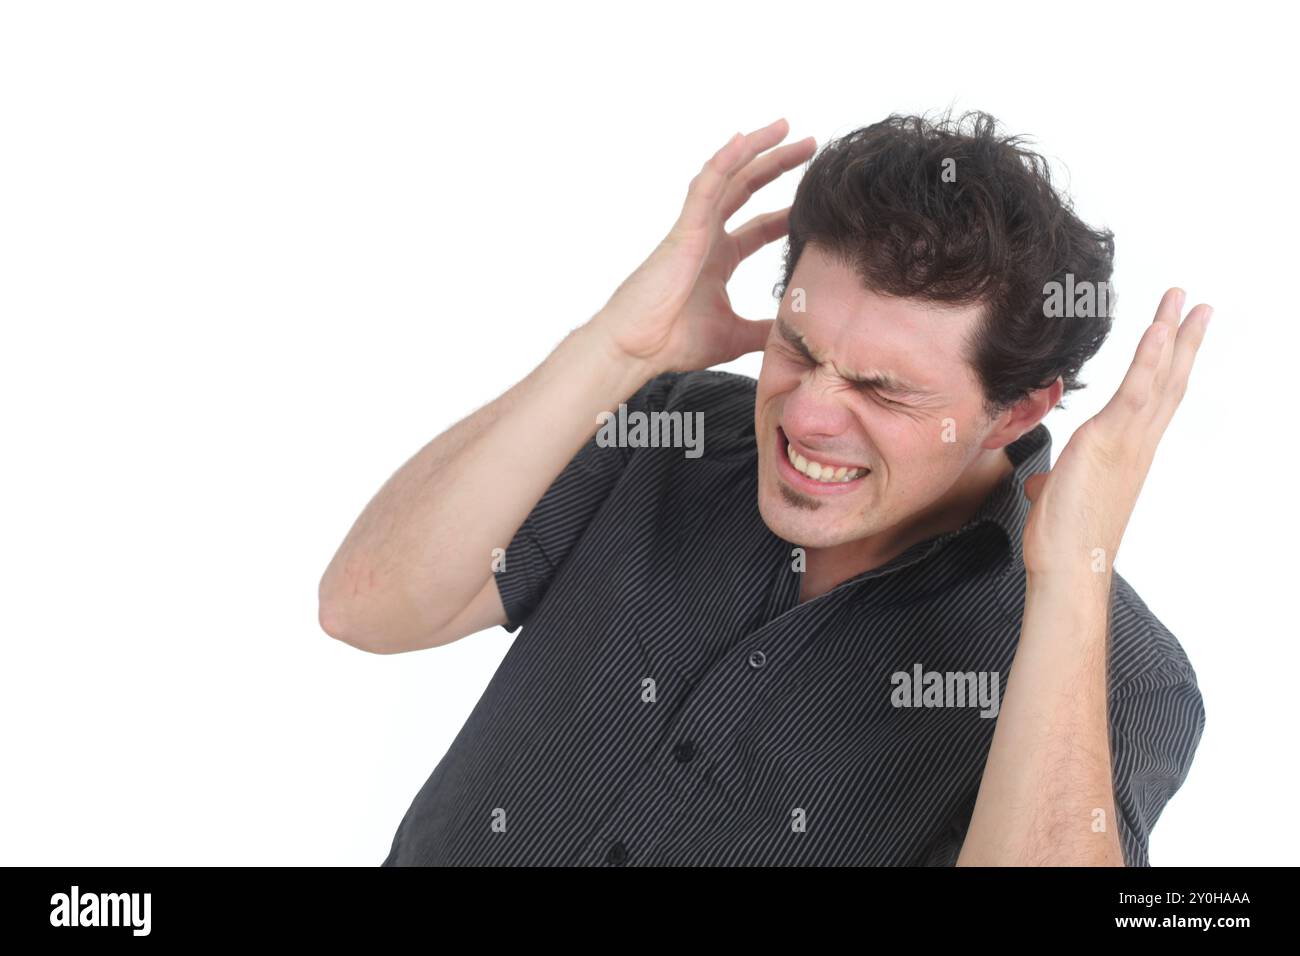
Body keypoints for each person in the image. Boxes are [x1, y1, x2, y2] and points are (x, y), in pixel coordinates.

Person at [319, 112, 1211, 866]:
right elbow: (367, 607)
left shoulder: (1121, 674)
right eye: (798, 347)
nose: (810, 415)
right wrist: (617, 351)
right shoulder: (668, 434)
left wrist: (1073, 581)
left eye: (882, 389)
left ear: (1016, 412)